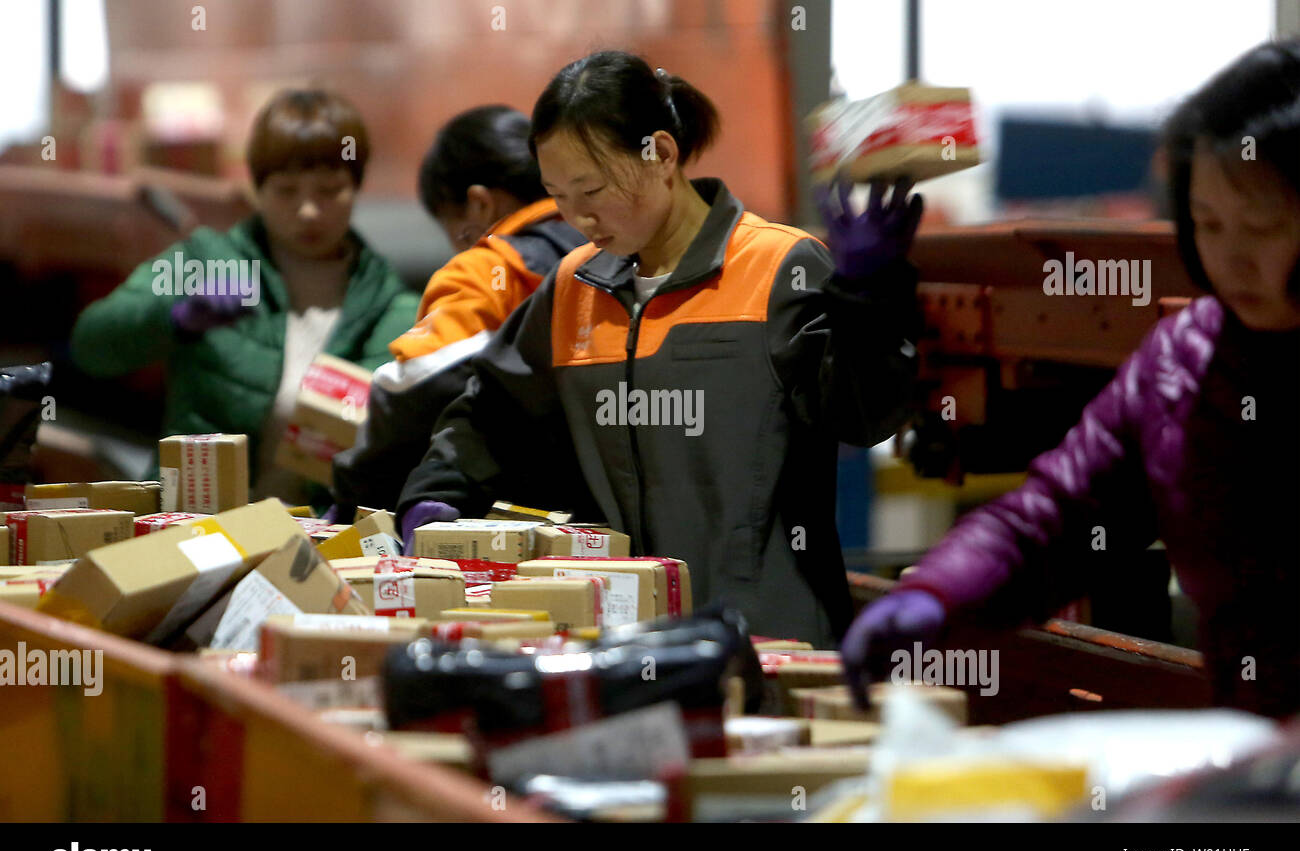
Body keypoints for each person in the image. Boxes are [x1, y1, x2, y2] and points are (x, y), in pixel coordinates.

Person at [398, 50, 923, 646]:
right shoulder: (574, 286)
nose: (577, 216)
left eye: (591, 189)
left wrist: (869, 301)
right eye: (556, 194)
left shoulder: (779, 267)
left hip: (772, 644)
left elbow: (863, 415)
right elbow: (489, 412)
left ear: (662, 155)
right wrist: (435, 497)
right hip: (623, 647)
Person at [842, 40, 1300, 719]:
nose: (1228, 256)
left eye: (1261, 225)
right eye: (1206, 222)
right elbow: (1055, 520)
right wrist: (935, 593)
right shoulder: (1182, 362)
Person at [69, 89, 418, 508]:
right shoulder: (203, 263)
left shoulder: (392, 308)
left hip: (322, 540)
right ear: (256, 190)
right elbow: (91, 347)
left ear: (356, 187)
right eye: (287, 191)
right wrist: (174, 316)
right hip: (196, 525)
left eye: (329, 190)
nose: (308, 211)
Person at [329, 105, 586, 522]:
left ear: (479, 204)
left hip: (502, 519)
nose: (457, 247)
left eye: (451, 227)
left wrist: (351, 493)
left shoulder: (489, 267)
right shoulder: (612, 252)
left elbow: (418, 387)